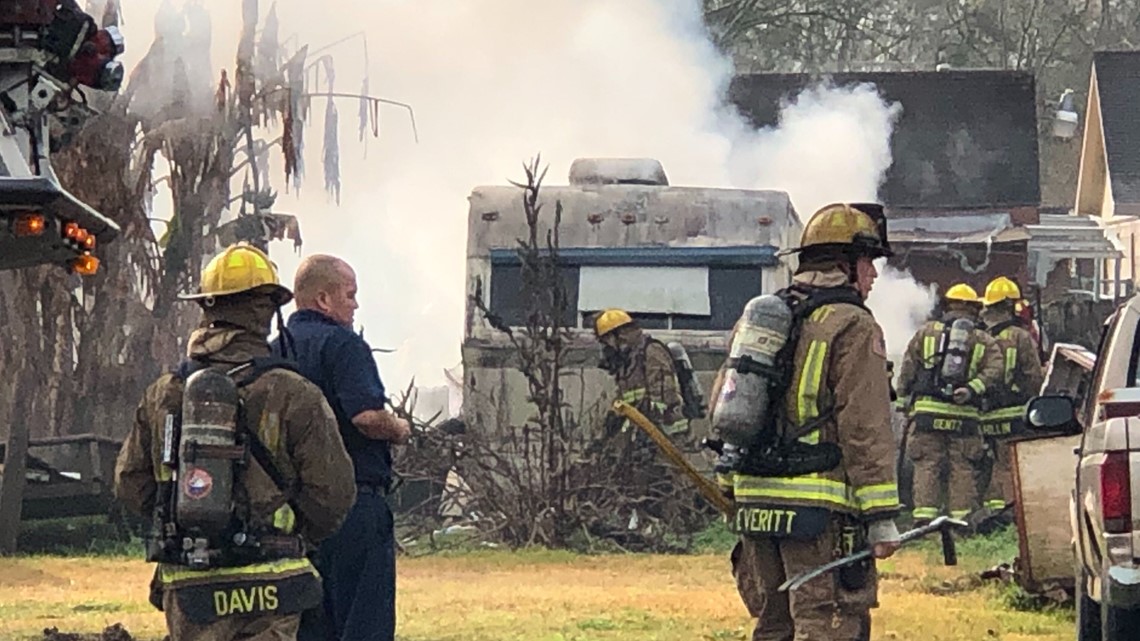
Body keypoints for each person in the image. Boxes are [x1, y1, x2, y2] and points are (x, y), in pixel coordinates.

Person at [114, 243, 356, 641]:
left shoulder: (164, 393)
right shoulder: (294, 393)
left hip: (191, 584)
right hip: (274, 581)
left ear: (208, 308)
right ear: (267, 312)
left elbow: (130, 482)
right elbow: (334, 492)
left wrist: (182, 518)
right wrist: (292, 536)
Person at [713, 202, 902, 641]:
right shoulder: (853, 324)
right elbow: (865, 425)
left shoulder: (760, 317)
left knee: (775, 624)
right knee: (828, 621)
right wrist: (880, 515)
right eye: (869, 262)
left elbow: (724, 400)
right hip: (816, 512)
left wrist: (731, 483)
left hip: (756, 501)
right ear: (846, 263)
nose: (873, 275)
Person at [276, 254, 411, 641]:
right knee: (362, 621)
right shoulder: (344, 345)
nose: (355, 305)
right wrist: (399, 428)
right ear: (323, 300)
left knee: (310, 623)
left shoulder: (274, 350)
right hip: (354, 503)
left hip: (294, 512)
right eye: (350, 295)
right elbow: (366, 417)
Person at [896, 283, 1002, 526]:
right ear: (975, 308)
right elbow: (996, 370)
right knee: (962, 466)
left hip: (927, 413)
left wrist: (903, 403)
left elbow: (908, 368)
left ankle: (924, 520)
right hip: (964, 415)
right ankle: (961, 520)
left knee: (927, 465)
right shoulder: (983, 339)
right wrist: (973, 388)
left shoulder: (926, 333)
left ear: (946, 305)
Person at [978, 276, 1044, 518]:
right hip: (1016, 411)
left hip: (985, 412)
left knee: (994, 462)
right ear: (1009, 306)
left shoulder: (980, 337)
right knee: (1013, 463)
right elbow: (1033, 377)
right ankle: (1011, 511)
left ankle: (994, 510)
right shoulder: (1020, 336)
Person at [593, 309, 688, 437]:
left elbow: (664, 397)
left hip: (669, 436)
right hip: (645, 433)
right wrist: (614, 417)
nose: (606, 348)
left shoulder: (651, 352)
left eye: (606, 341)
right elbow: (625, 399)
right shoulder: (626, 362)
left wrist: (643, 419)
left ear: (620, 335)